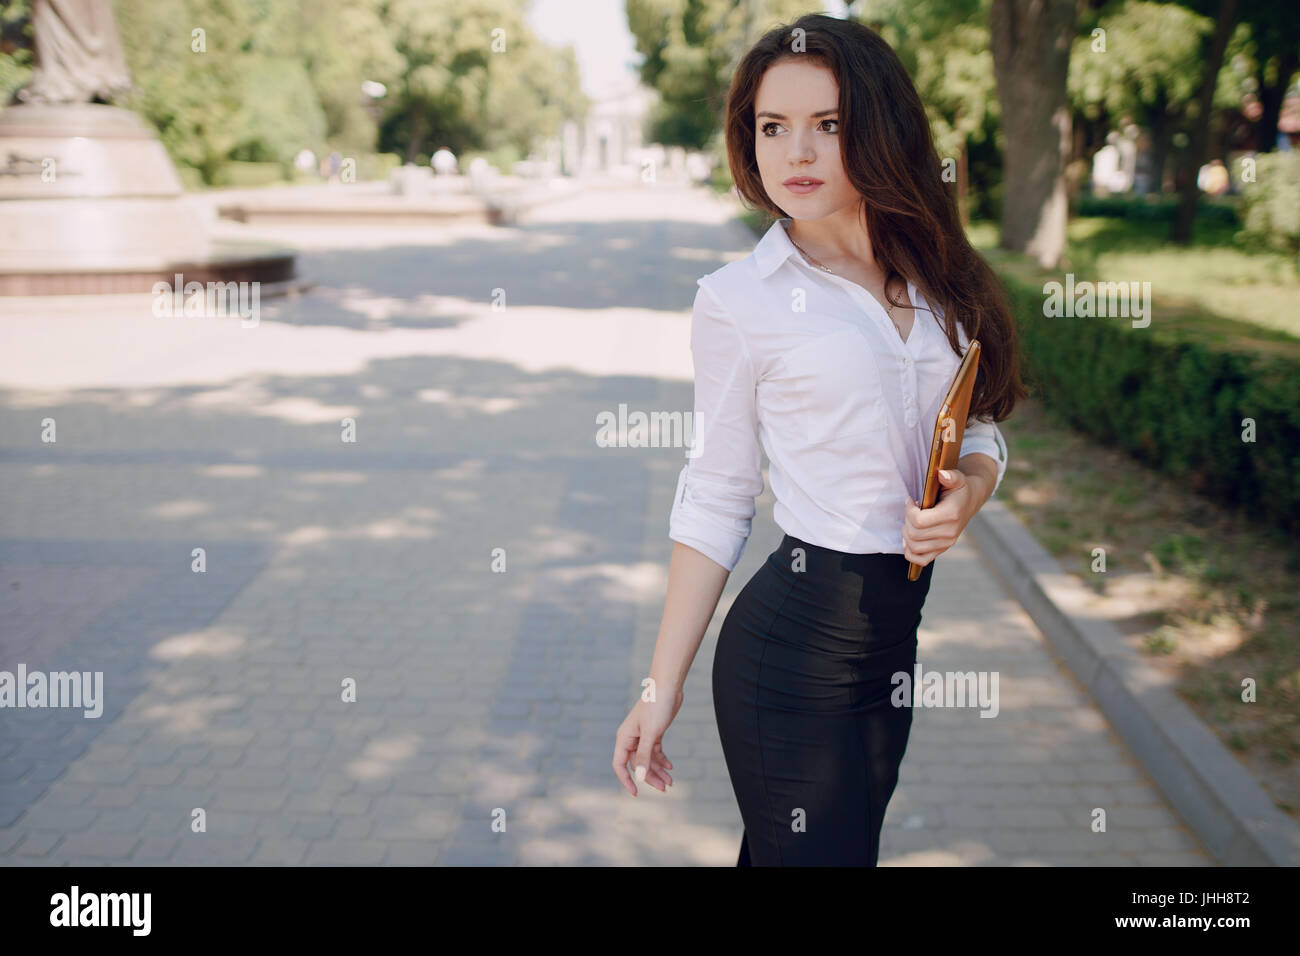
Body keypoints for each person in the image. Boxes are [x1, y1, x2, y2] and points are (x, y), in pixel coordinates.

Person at [612, 13, 1024, 866]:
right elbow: (718, 494)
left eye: (827, 125)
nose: (794, 152)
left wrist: (971, 494)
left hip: (893, 652)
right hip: (791, 657)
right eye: (773, 127)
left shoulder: (938, 274)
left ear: (877, 128)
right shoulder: (739, 299)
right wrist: (660, 687)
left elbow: (978, 424)